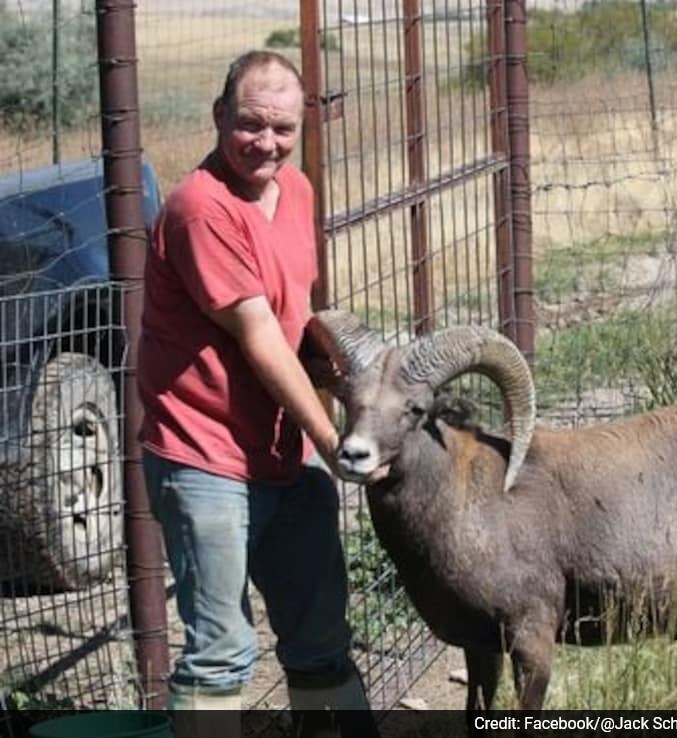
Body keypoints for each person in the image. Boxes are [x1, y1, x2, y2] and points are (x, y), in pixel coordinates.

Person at [138, 50, 380, 737]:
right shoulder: (199, 209)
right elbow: (258, 336)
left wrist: (339, 383)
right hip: (204, 453)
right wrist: (335, 442)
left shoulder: (295, 190)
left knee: (320, 637)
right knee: (220, 654)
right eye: (250, 124)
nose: (265, 143)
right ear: (219, 116)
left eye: (282, 130)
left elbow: (296, 313)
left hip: (282, 446)